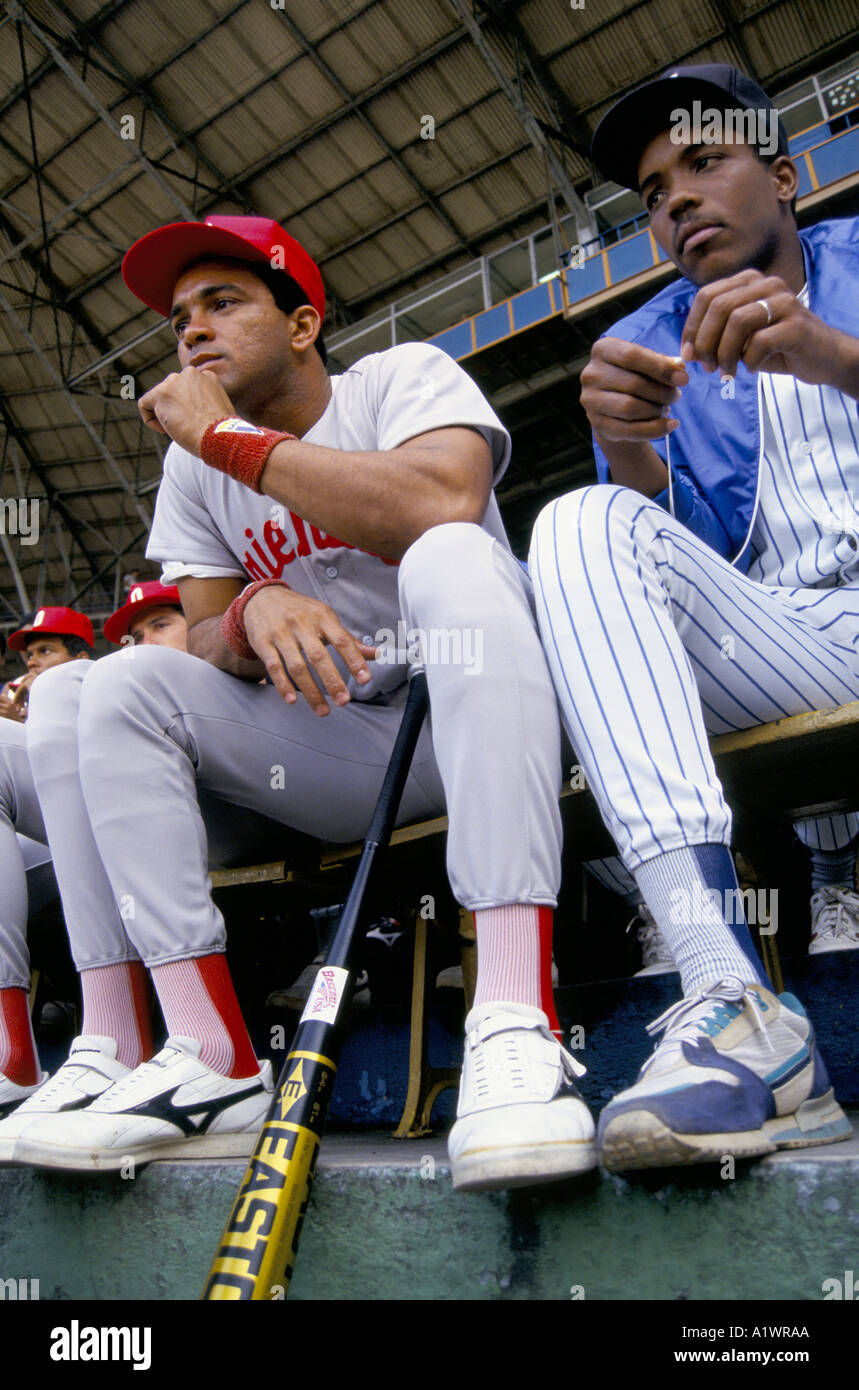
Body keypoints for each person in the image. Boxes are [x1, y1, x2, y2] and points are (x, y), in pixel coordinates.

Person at [3, 215, 588, 1191]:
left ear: (303, 323)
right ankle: (209, 1054)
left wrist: (231, 441)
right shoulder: (191, 468)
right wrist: (255, 605)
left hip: (466, 733)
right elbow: (200, 635)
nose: (190, 330)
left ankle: (514, 1014)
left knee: (454, 552)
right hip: (324, 754)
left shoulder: (397, 379)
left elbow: (439, 502)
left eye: (223, 301)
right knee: (114, 680)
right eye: (179, 316)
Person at [529, 64, 856, 1169]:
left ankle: (835, 869)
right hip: (798, 638)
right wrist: (628, 460)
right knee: (576, 524)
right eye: (652, 191)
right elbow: (672, 583)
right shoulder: (653, 336)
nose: (673, 200)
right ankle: (732, 996)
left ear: (784, 175)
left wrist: (832, 358)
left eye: (702, 163)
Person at [0, 607, 93, 723]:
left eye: (45, 651)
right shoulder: (19, 689)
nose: (31, 662)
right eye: (30, 655)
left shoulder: (100, 693)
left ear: (81, 659)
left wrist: (15, 725)